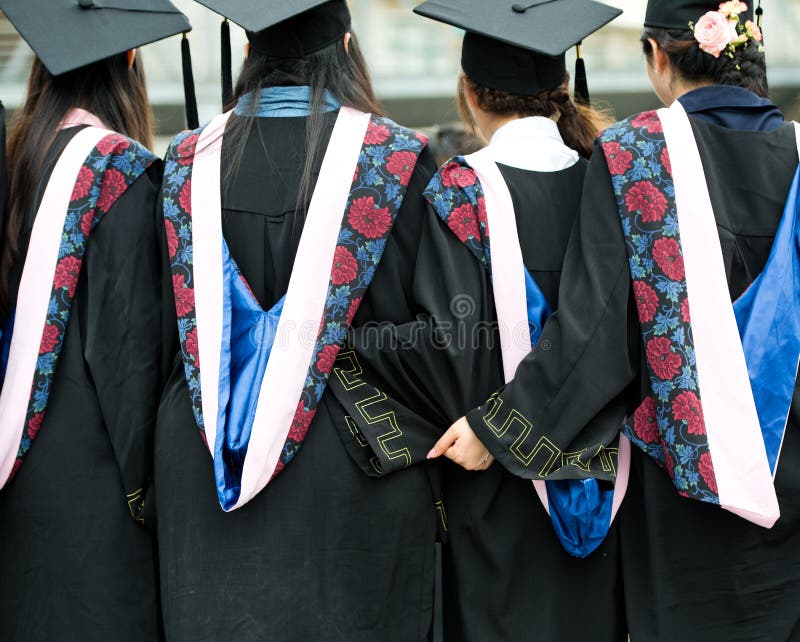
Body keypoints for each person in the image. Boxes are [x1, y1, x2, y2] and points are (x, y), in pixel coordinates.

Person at [439, 0, 800, 639]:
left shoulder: (637, 154)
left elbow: (596, 333)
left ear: (658, 57)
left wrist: (501, 426)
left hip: (683, 496)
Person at [153, 1, 480, 639]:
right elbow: (441, 340)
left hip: (200, 461)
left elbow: (159, 333)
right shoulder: (396, 157)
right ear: (347, 49)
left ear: (246, 53)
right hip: (353, 463)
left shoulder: (184, 161)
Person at [331, 1, 628, 639]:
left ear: (468, 92)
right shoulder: (606, 187)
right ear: (560, 92)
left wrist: (345, 344)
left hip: (491, 489)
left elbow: (447, 347)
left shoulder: (461, 190)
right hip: (607, 482)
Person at [0, 1, 192, 640]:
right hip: (94, 480)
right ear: (132, 61)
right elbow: (132, 354)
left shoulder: (14, 159)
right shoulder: (121, 172)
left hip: (16, 467)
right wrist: (151, 491)